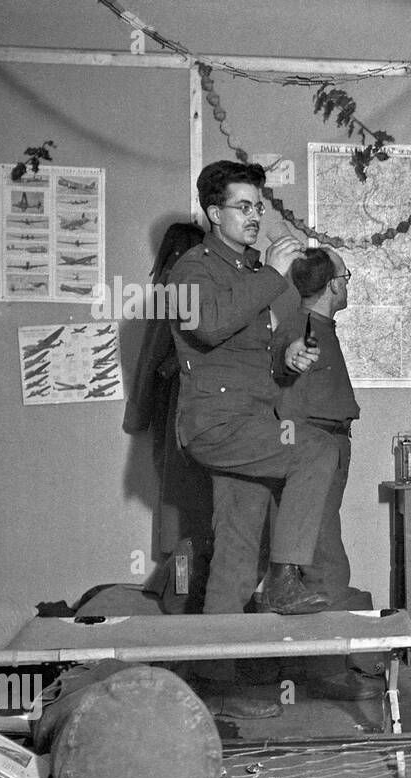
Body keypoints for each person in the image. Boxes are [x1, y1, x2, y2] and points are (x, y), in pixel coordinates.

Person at [167, 160, 338, 718]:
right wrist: (271, 273)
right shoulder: (191, 270)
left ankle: (217, 684)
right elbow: (209, 326)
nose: (255, 215)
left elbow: (255, 357)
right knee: (318, 449)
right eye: (244, 206)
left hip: (250, 422)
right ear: (214, 214)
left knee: (237, 555)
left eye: (259, 206)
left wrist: (290, 361)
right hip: (215, 426)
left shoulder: (247, 271)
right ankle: (285, 581)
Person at [273, 246, 381, 700]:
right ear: (334, 284)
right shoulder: (302, 330)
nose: (348, 282)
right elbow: (285, 384)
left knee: (324, 549)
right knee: (326, 557)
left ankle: (339, 660)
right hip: (316, 449)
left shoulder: (320, 327)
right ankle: (351, 665)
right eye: (346, 275)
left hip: (331, 443)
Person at [123, 222, 212, 561]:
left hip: (176, 402)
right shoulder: (202, 282)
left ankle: (184, 589)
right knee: (195, 502)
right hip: (194, 404)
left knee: (179, 503)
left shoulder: (169, 287)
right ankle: (186, 589)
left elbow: (151, 357)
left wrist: (139, 414)